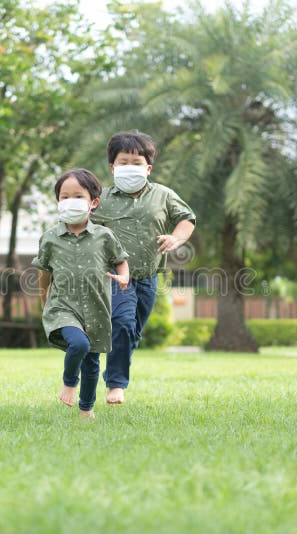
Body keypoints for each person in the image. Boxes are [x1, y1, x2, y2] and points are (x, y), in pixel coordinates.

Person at [91, 130, 196, 405]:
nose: (130, 167)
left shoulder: (163, 195)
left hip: (149, 277)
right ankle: (116, 385)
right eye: (123, 162)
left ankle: (115, 364)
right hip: (115, 276)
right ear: (112, 167)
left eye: (136, 162)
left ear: (148, 168)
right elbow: (83, 229)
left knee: (133, 332)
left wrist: (176, 238)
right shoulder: (101, 199)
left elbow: (187, 219)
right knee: (123, 323)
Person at [32, 168, 130, 419]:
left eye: (78, 196)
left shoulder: (104, 236)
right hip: (63, 307)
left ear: (93, 202)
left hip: (96, 308)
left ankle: (86, 409)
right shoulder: (50, 238)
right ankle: (68, 382)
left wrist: (124, 276)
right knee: (79, 344)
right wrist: (44, 300)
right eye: (64, 197)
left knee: (91, 363)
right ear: (57, 201)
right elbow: (44, 272)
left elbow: (120, 260)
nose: (70, 201)